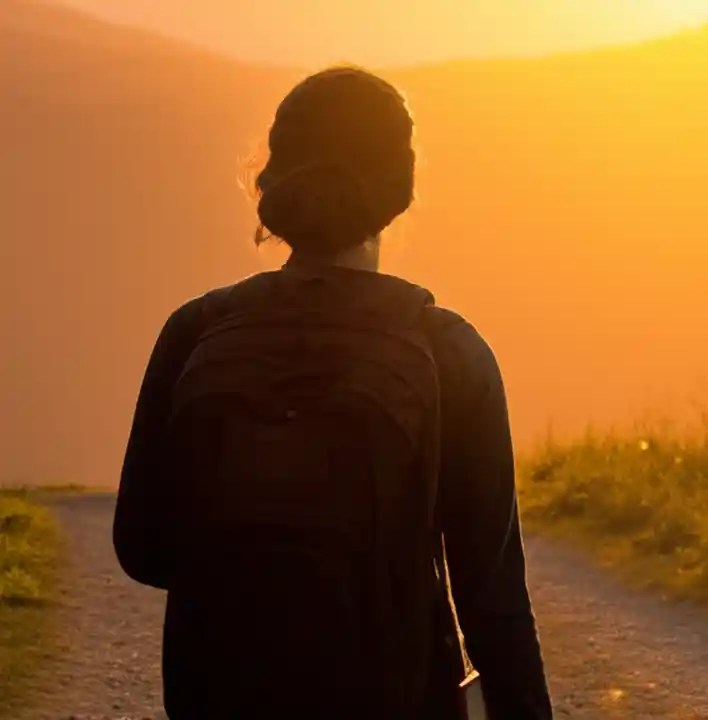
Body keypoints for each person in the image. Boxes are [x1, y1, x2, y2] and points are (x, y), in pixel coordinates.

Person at [113, 67, 554, 719]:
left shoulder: (196, 330)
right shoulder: (448, 353)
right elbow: (494, 607)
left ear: (273, 182)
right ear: (399, 190)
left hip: (220, 695)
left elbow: (143, 548)